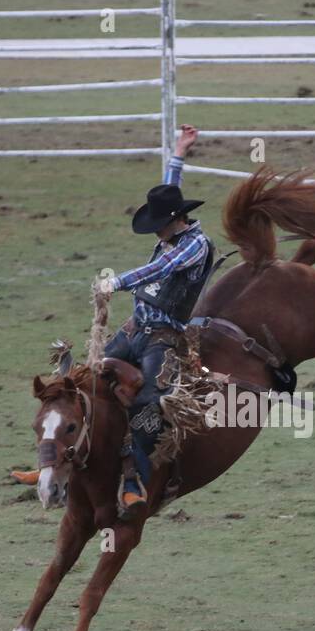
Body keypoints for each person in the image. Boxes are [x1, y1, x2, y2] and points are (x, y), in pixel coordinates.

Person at [95, 125, 213, 515]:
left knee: (150, 405)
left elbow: (162, 269)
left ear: (177, 220)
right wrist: (179, 152)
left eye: (159, 223)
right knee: (88, 379)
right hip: (135, 329)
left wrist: (117, 282)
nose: (155, 230)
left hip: (163, 337)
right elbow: (167, 189)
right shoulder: (173, 227)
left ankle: (134, 483)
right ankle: (65, 459)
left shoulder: (195, 245)